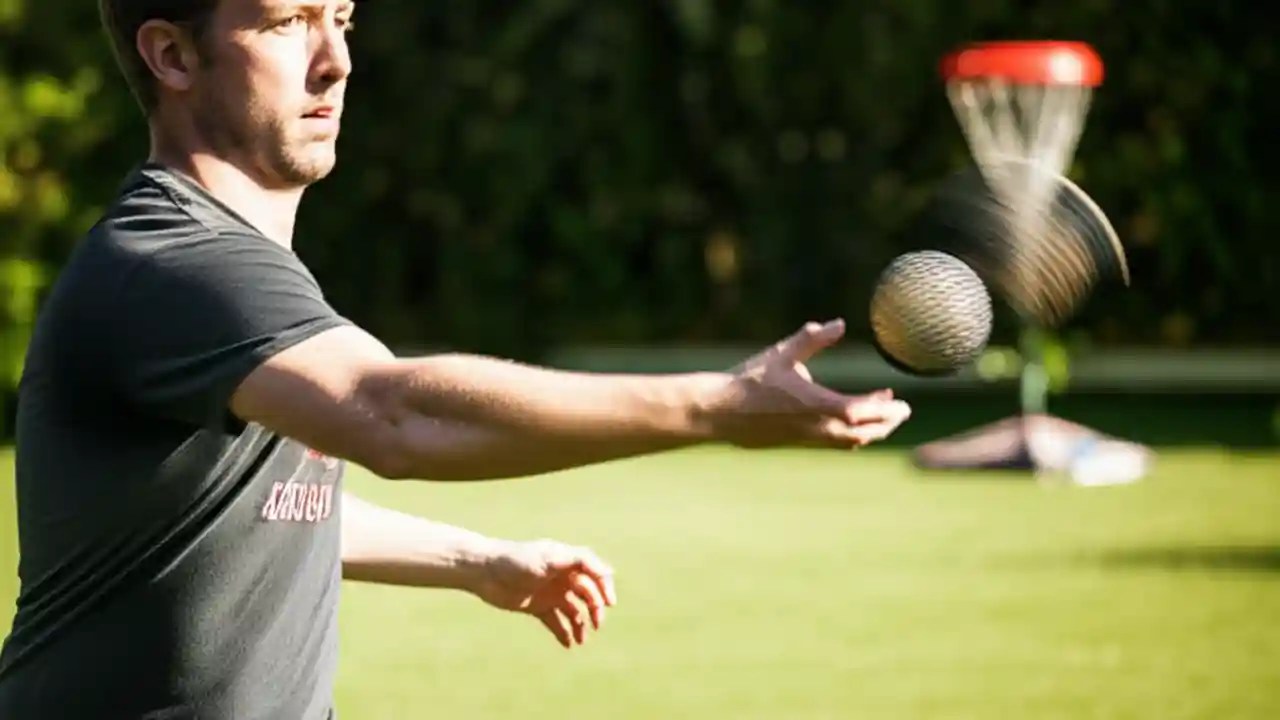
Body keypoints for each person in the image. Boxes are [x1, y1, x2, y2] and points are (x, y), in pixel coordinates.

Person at [0, 0, 913, 717]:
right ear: (173, 55)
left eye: (343, 18)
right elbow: (392, 414)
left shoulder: (230, 276)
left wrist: (477, 560)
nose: (339, 60)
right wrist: (716, 407)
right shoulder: (172, 265)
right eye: (288, 21)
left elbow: (249, 515)